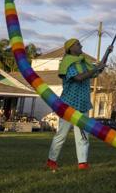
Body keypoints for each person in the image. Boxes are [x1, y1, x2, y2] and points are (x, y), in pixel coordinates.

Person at [45, 38, 112, 171]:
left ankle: (83, 163)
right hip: (68, 105)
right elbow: (79, 77)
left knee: (83, 135)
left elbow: (97, 70)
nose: (81, 46)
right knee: (61, 134)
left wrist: (107, 53)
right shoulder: (67, 63)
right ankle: (51, 161)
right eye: (77, 44)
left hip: (83, 104)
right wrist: (96, 68)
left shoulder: (83, 63)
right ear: (70, 48)